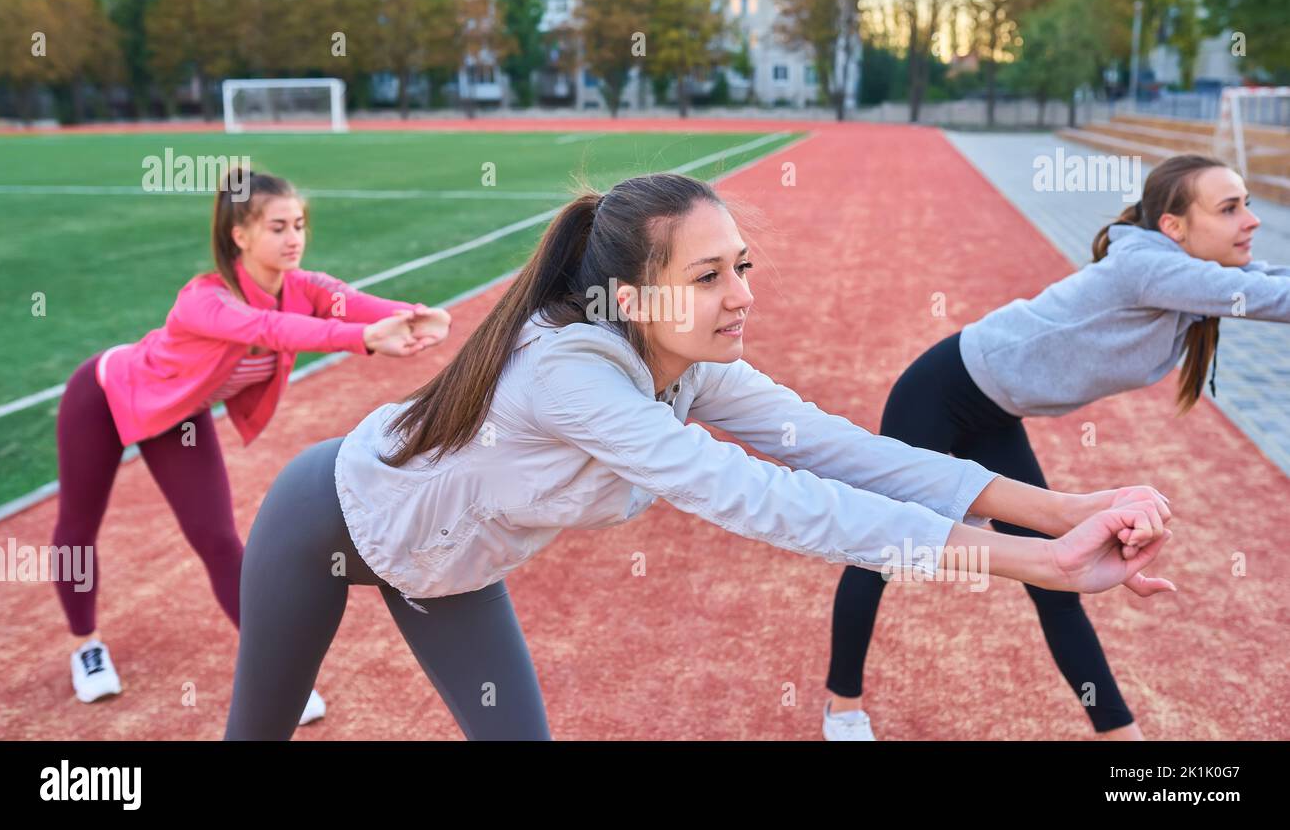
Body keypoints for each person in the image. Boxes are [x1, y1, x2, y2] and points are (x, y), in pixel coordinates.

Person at [224, 172, 1173, 741]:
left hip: (448, 569)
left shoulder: (686, 364)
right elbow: (777, 503)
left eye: (743, 267)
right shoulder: (573, 377)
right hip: (326, 526)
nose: (741, 295)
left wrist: (1062, 509)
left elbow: (850, 457)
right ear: (632, 299)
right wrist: (1036, 564)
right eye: (709, 276)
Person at [822, 154, 1287, 741]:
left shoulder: (1185, 277)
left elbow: (1266, 283)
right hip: (940, 392)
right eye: (1230, 208)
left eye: (1247, 204)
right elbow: (1268, 296)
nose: (1251, 220)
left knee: (1056, 575)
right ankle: (842, 707)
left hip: (991, 411)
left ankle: (1122, 740)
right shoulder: (1149, 265)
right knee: (882, 548)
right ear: (1174, 226)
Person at [53, 167, 451, 725]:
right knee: (78, 526)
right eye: (277, 228)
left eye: (300, 225)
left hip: (176, 417)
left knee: (218, 539)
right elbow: (273, 330)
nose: (294, 238)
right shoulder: (205, 300)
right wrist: (361, 340)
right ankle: (85, 644)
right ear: (240, 235)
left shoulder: (301, 286)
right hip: (101, 397)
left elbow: (349, 300)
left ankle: (275, 676)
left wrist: (413, 315)